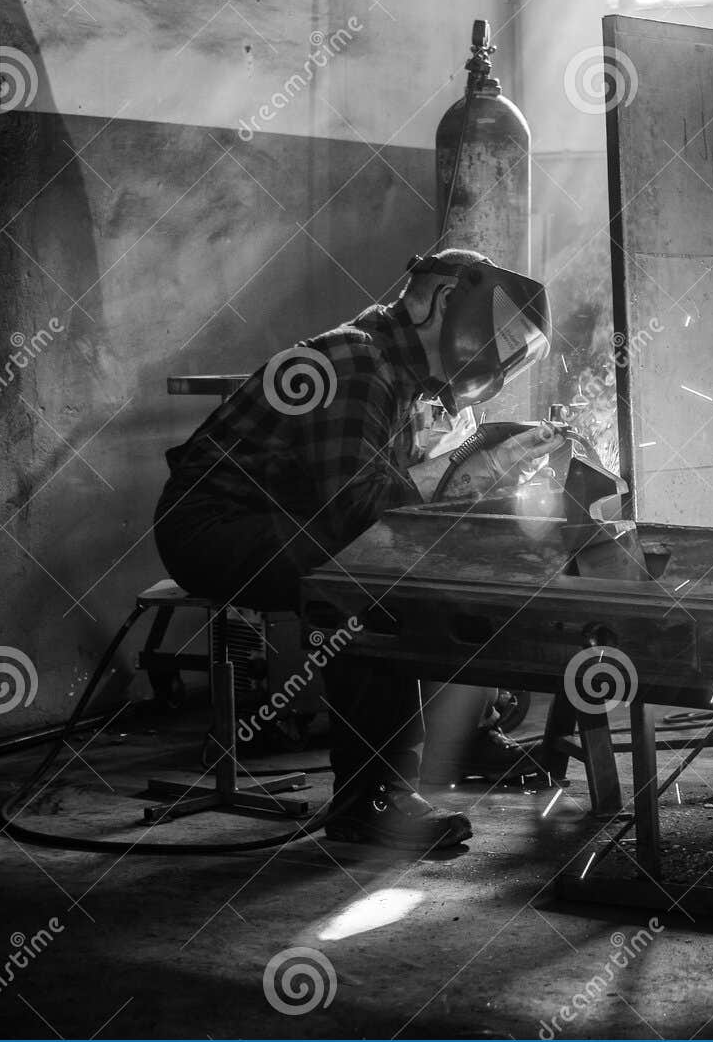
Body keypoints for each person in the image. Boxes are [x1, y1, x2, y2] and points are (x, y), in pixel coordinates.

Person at [154, 249, 560, 850]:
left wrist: (469, 477)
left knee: (432, 556)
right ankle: (372, 799)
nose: (495, 356)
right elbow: (359, 510)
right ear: (445, 301)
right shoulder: (354, 361)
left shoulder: (391, 371)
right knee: (372, 573)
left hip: (277, 518)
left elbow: (375, 497)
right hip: (215, 528)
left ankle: (463, 737)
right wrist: (466, 468)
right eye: (494, 333)